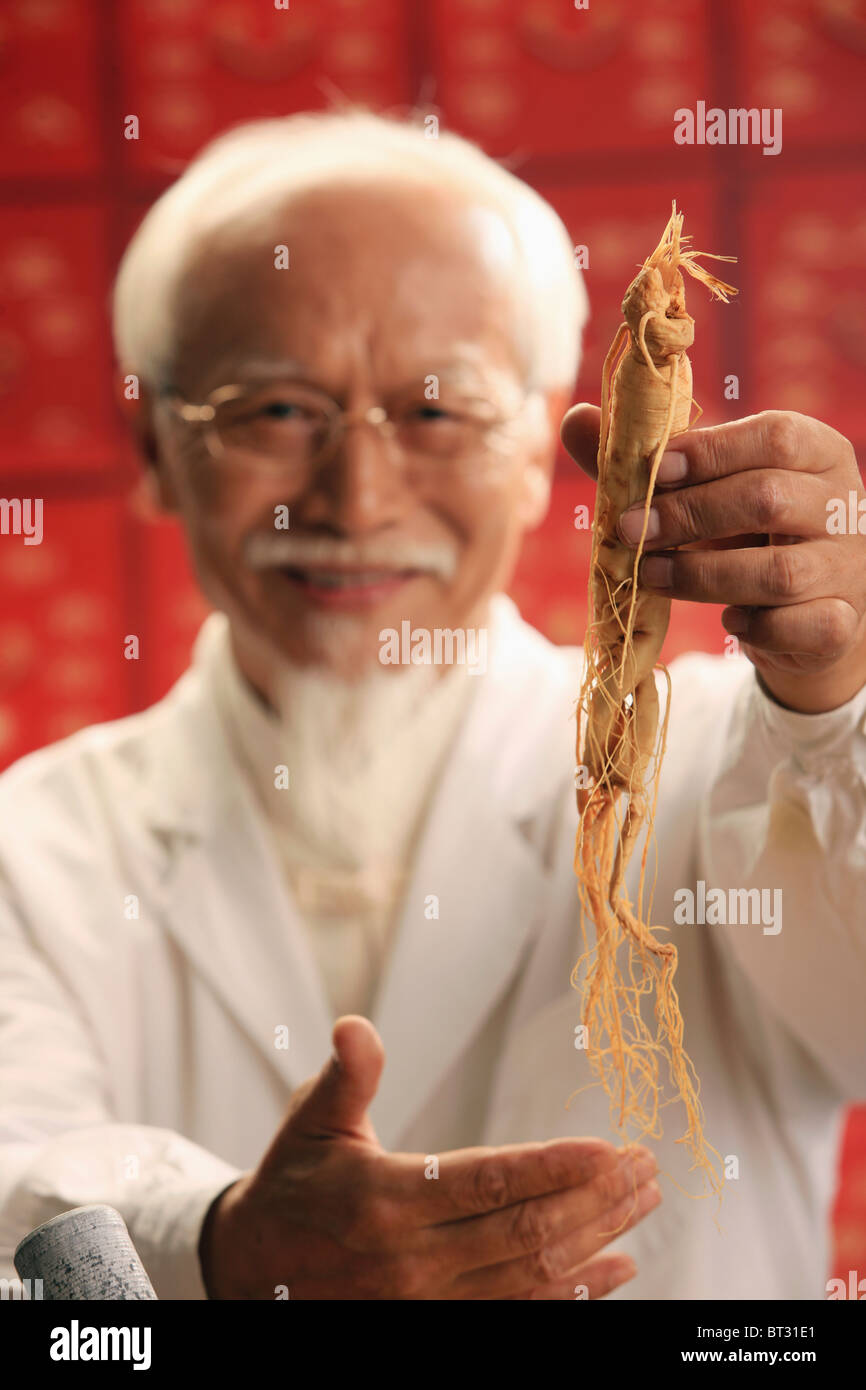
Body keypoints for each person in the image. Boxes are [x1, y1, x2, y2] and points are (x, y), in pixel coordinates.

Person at [0, 111, 864, 1301]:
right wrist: (213, 1245)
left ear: (533, 444)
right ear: (153, 440)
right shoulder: (32, 850)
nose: (355, 496)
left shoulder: (731, 760)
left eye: (435, 410)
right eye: (276, 410)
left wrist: (832, 699)